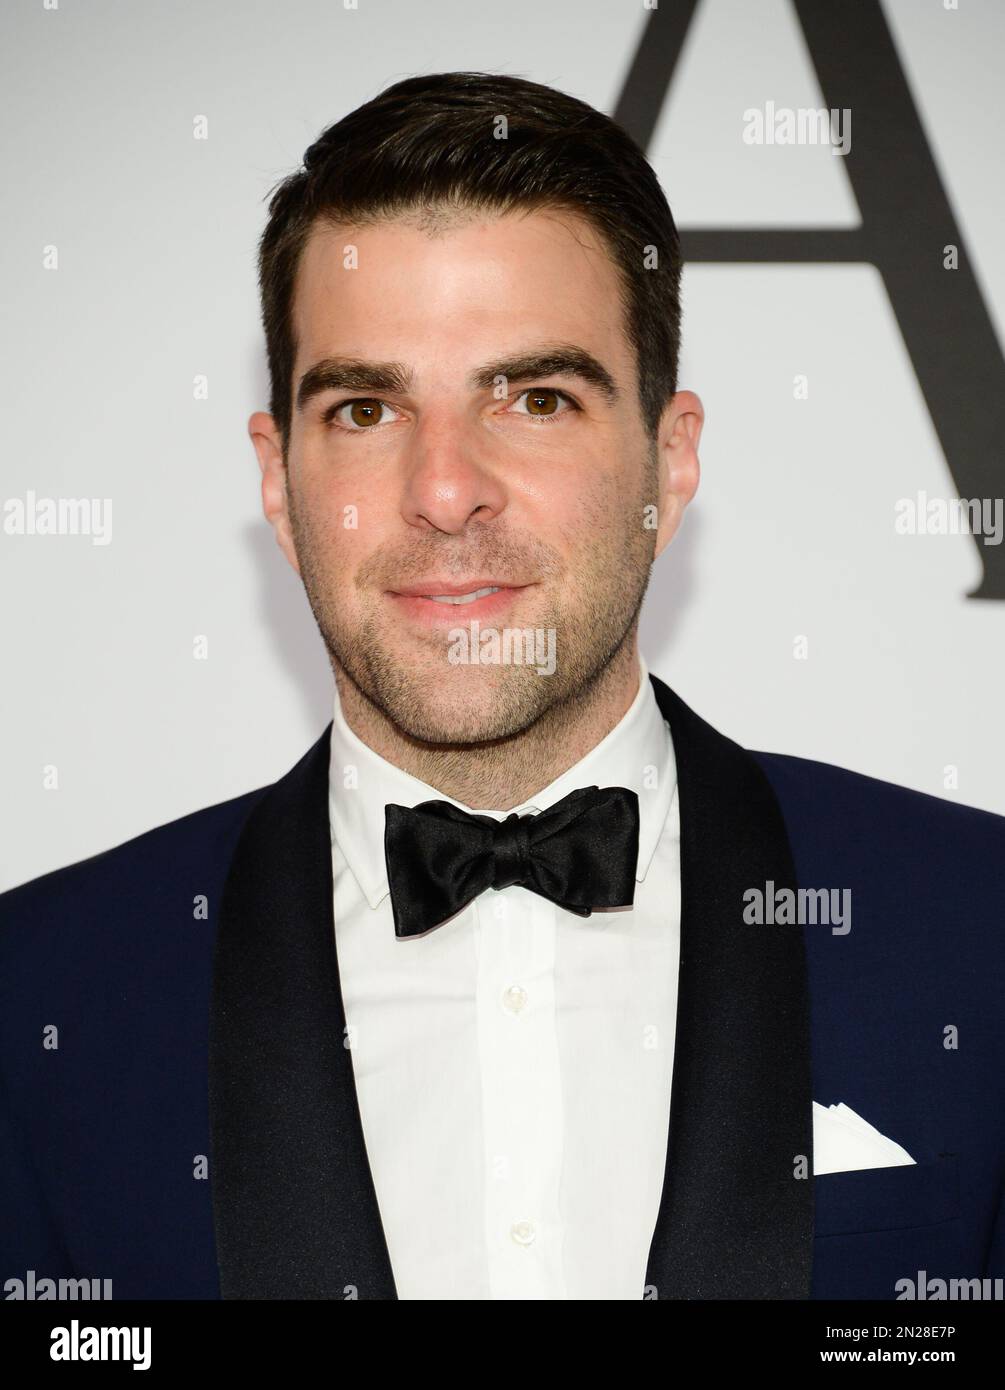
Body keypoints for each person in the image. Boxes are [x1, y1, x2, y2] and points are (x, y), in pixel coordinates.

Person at [2, 71, 1003, 1303]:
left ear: (670, 459)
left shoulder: (980, 931)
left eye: (534, 398)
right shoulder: (37, 998)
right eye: (366, 408)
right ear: (278, 477)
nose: (443, 489)